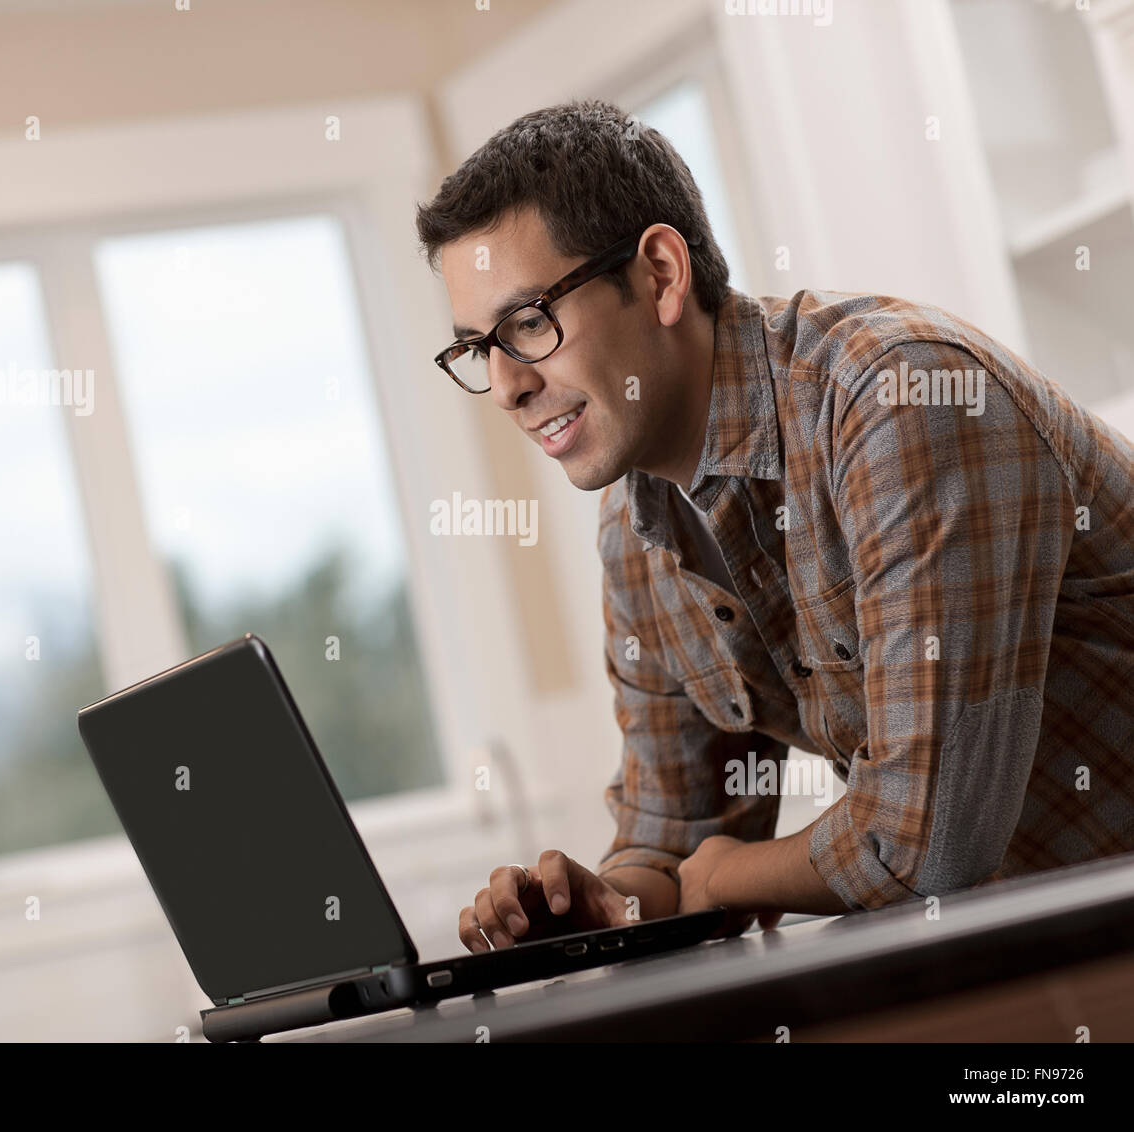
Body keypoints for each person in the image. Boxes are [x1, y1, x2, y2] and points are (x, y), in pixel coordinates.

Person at [413, 98, 1134, 953]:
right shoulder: (633, 528)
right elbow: (676, 830)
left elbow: (931, 837)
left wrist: (725, 879)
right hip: (1032, 955)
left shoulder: (900, 400)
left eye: (528, 323)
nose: (504, 386)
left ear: (660, 275)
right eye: (475, 348)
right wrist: (598, 907)